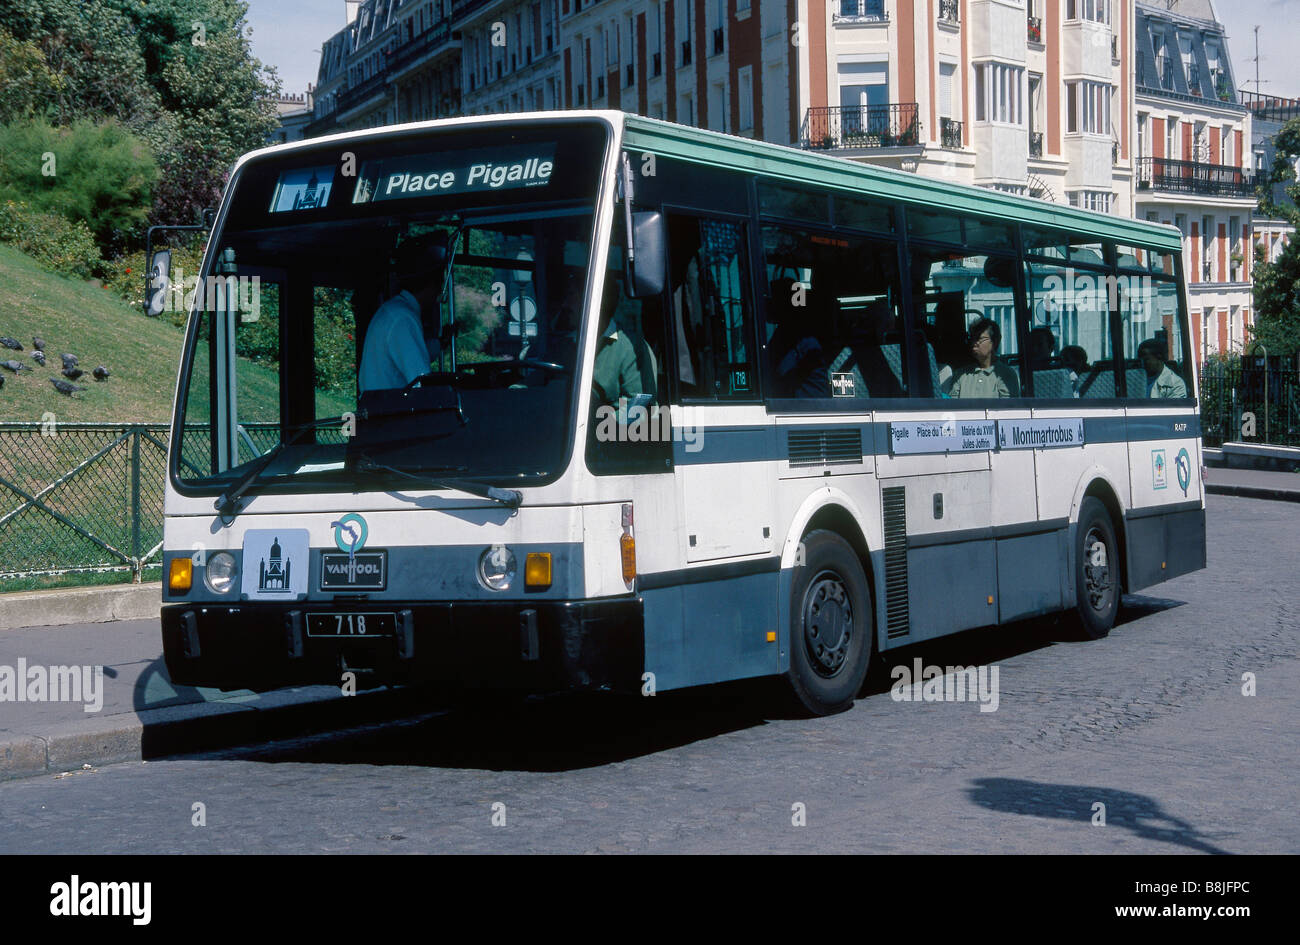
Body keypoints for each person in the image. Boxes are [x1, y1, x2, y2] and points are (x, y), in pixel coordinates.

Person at [358, 233, 449, 392]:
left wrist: (440, 343)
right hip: (391, 413)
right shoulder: (403, 318)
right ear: (431, 285)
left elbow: (407, 354)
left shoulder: (392, 311)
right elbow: (421, 380)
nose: (438, 294)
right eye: (439, 285)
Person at [591, 275, 645, 406]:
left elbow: (637, 406)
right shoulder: (566, 339)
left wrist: (599, 416)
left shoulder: (628, 347)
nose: (566, 304)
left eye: (571, 296)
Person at [949, 317, 1020, 398]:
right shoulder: (960, 374)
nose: (974, 343)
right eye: (972, 338)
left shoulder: (1006, 374)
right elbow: (953, 407)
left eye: (979, 339)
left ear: (995, 341)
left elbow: (1007, 408)